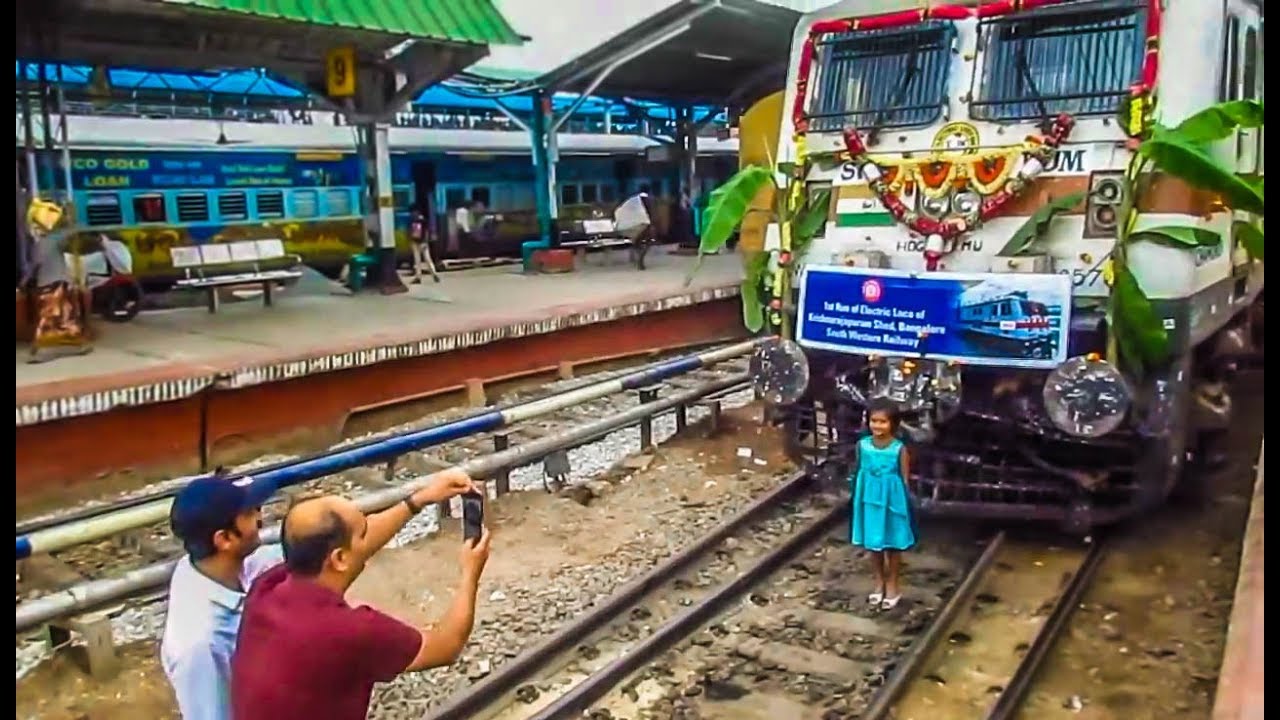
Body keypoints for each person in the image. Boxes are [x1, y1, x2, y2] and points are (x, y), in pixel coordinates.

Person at [230, 468, 491, 720]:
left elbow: (353, 547)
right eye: (363, 532)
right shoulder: (351, 630)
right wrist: (470, 573)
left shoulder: (266, 586)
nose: (368, 536)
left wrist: (418, 500)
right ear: (339, 558)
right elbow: (445, 647)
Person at [160, 473, 282, 720]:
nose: (259, 519)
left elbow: (275, 558)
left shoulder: (202, 566)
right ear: (224, 539)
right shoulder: (201, 648)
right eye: (249, 514)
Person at [850, 398, 916, 611]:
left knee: (893, 543)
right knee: (873, 542)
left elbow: (904, 479)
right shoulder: (863, 446)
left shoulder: (899, 449)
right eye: (873, 421)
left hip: (891, 500)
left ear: (893, 425)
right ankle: (878, 581)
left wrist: (902, 504)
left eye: (883, 422)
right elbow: (859, 470)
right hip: (870, 498)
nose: (877, 426)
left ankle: (893, 583)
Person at [22, 199, 92, 364]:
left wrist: (24, 282)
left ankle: (42, 349)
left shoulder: (43, 242)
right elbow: (75, 229)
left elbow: (34, 266)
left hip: (50, 284)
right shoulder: (49, 241)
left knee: (52, 317)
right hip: (57, 283)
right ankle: (73, 346)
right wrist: (69, 217)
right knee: (62, 316)